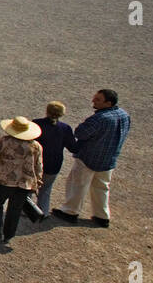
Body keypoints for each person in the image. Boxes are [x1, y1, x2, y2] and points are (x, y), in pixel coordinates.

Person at [53, 89, 130, 228]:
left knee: (78, 185)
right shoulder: (124, 115)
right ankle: (102, 216)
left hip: (88, 157)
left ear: (108, 103)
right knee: (102, 187)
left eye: (98, 99)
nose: (93, 101)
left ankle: (70, 211)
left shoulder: (99, 118)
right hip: (109, 159)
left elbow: (80, 133)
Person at [0, 116, 45, 244]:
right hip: (24, 183)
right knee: (15, 209)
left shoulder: (5, 141)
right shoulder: (36, 146)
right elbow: (38, 166)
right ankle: (8, 235)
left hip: (4, 180)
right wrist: (38, 181)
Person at [33, 101, 76, 217]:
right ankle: (43, 211)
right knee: (46, 189)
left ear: (47, 111)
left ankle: (26, 209)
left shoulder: (36, 124)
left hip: (36, 162)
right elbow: (73, 147)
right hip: (54, 163)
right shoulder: (65, 128)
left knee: (29, 186)